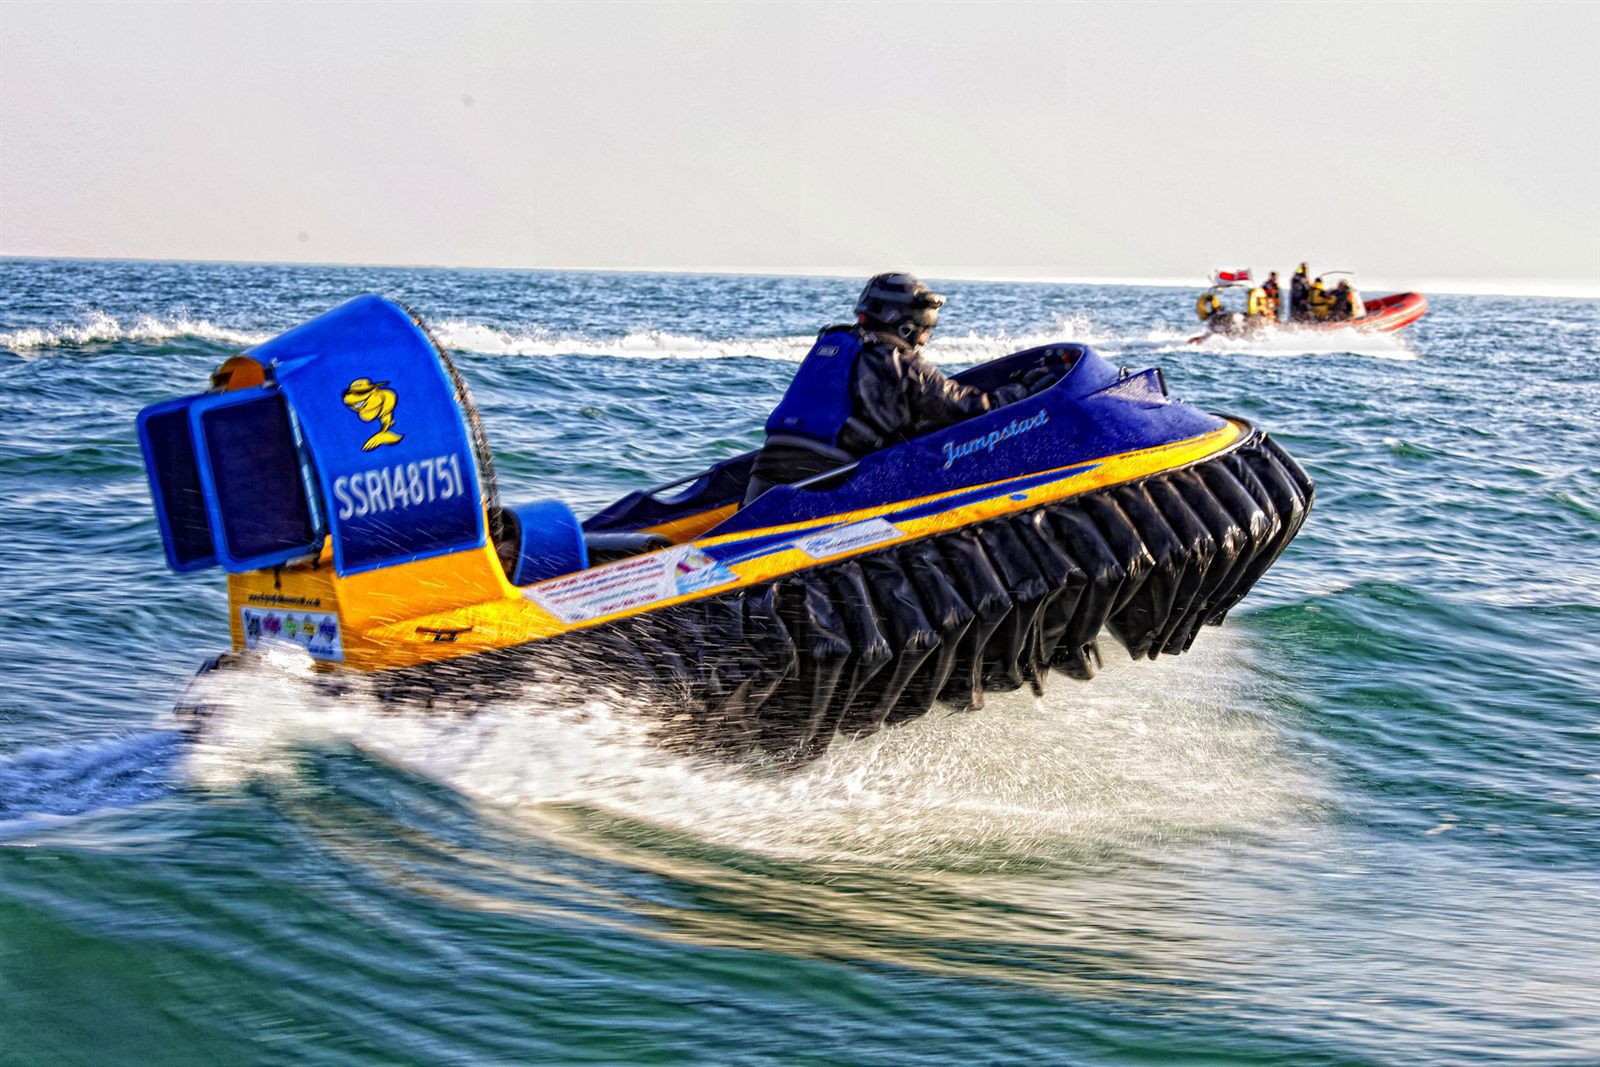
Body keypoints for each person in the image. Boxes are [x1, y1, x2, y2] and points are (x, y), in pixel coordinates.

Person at [744, 273, 1028, 503]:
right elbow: (958, 407)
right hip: (825, 473)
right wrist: (1018, 392)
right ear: (907, 326)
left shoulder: (833, 346)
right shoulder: (895, 359)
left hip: (767, 464)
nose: (924, 340)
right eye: (924, 331)